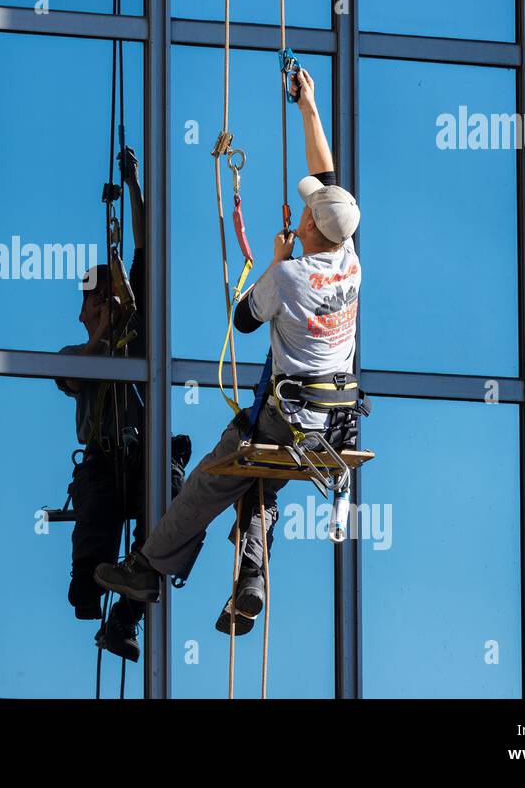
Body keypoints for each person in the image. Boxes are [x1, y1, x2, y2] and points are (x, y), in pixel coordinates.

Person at [95, 68, 365, 636]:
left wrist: (275, 259)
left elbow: (243, 319)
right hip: (331, 424)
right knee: (257, 483)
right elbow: (328, 175)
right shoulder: (349, 261)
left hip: (285, 419)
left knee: (214, 477)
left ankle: (146, 569)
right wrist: (308, 107)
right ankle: (249, 579)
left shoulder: (290, 276)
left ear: (310, 230)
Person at [57, 147, 193, 662]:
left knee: (172, 519)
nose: (96, 306)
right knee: (90, 562)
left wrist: (133, 185)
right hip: (103, 461)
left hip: (144, 456)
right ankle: (96, 597)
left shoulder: (136, 331)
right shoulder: (77, 353)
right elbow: (72, 375)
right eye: (93, 300)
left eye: (104, 297)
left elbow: (147, 245)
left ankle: (125, 619)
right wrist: (107, 332)